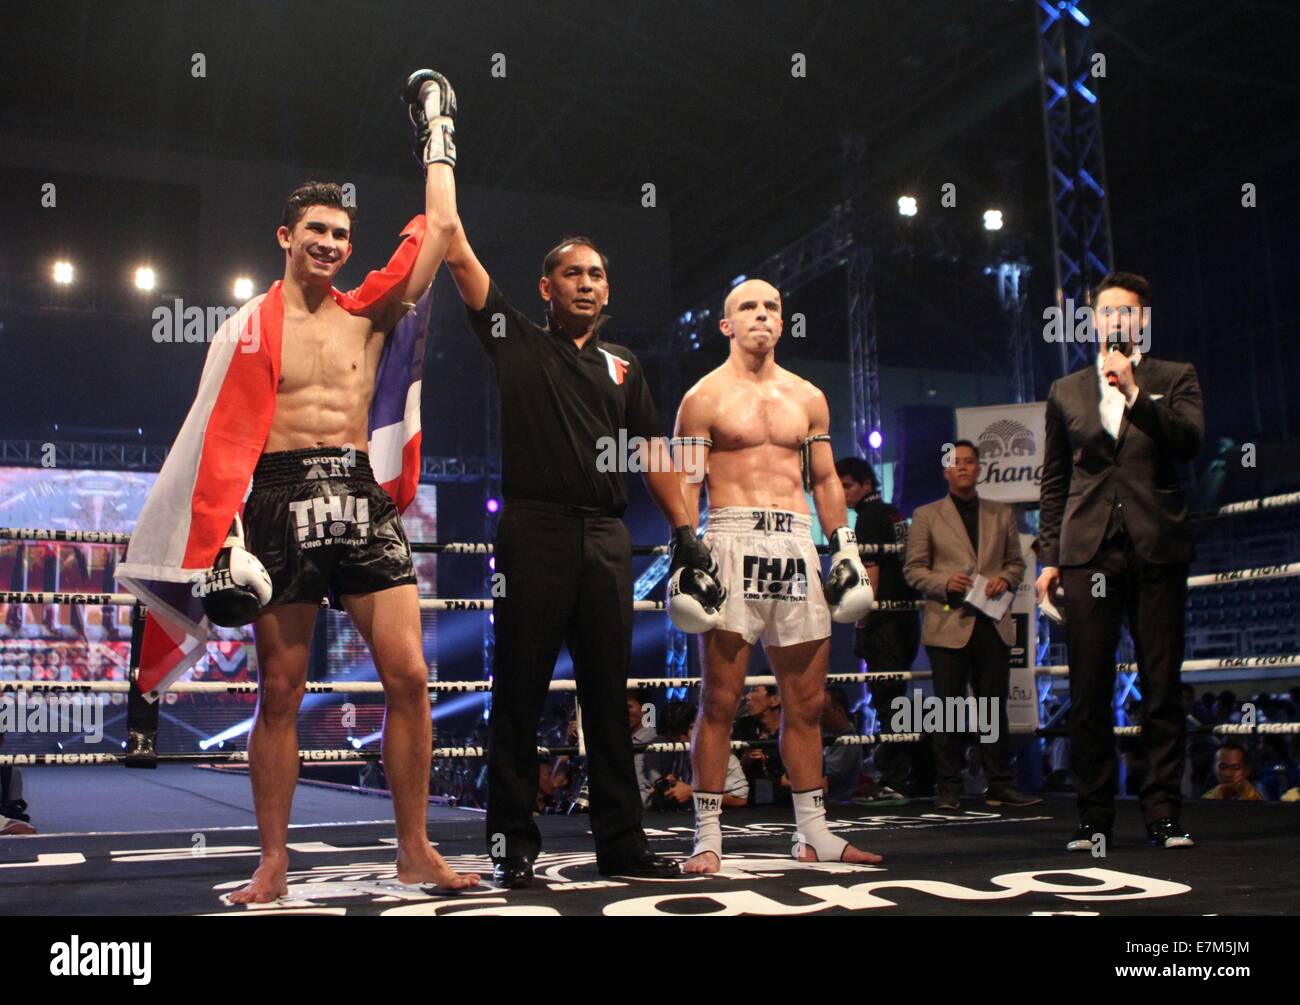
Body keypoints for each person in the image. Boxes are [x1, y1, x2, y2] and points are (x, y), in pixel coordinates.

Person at [216, 71, 477, 900]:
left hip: (359, 497)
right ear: (285, 236)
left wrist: (436, 129)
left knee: (409, 676)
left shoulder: (370, 310)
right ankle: (272, 860)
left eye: (341, 232)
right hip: (278, 498)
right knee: (282, 689)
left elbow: (440, 225)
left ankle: (414, 849)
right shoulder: (248, 326)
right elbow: (216, 443)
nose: (330, 243)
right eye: (316, 230)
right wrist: (224, 535)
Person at [441, 149, 696, 889]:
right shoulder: (515, 340)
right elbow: (455, 248)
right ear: (546, 288)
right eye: (573, 274)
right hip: (535, 530)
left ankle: (622, 844)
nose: (588, 283)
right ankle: (509, 848)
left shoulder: (625, 366)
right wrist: (443, 141)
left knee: (609, 701)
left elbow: (654, 451)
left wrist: (685, 534)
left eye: (597, 274)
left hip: (610, 538)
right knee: (517, 692)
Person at [673, 278, 882, 873]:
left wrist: (842, 547)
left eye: (771, 307)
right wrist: (687, 552)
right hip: (731, 538)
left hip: (794, 542)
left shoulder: (809, 397)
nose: (761, 315)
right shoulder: (702, 398)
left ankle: (813, 834)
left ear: (783, 321)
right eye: (748, 307)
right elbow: (687, 483)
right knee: (720, 699)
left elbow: (823, 481)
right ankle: (708, 838)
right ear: (726, 325)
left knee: (807, 701)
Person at [1035, 271, 1205, 851]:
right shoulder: (1066, 390)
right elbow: (1054, 481)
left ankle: (1162, 813)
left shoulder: (1174, 377)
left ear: (1143, 320)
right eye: (1103, 313)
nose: (1113, 322)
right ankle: (1094, 820)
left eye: (1124, 313)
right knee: (1088, 691)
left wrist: (1135, 393)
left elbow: (1188, 443)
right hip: (1089, 555)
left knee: (1161, 686)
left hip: (1157, 547)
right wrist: (1049, 557)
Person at [903, 439, 1038, 811]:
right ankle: (948, 785)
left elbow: (1016, 563)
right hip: (948, 622)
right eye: (955, 462)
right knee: (948, 707)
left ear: (979, 468)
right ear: (946, 470)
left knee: (993, 706)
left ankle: (999, 783)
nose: (962, 467)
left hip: (991, 621)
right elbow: (913, 570)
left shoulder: (1001, 513)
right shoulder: (926, 515)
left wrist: (1006, 580)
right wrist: (944, 582)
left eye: (969, 461)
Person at [837, 455, 923, 798]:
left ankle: (896, 778)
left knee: (887, 699)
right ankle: (905, 774)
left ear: (865, 484)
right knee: (894, 697)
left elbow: (870, 574)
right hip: (906, 616)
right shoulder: (893, 512)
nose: (843, 493)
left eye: (848, 486)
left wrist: (862, 618)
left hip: (885, 619)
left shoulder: (870, 517)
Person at [821, 685, 865, 803]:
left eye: (822, 711)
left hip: (835, 806)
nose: (819, 717)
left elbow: (826, 780)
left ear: (838, 711)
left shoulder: (847, 742)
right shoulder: (831, 738)